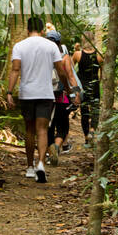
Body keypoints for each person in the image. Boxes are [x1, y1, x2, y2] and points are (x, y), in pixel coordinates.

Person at [6, 16, 69, 183]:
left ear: (27, 29)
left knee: (29, 131)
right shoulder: (51, 46)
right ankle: (41, 163)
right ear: (42, 31)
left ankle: (29, 167)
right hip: (45, 94)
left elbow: (15, 70)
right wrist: (68, 89)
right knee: (42, 130)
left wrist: (9, 92)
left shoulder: (19, 46)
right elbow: (61, 71)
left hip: (27, 93)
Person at [44, 28, 80, 165]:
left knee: (48, 126)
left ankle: (49, 152)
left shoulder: (42, 57)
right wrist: (75, 93)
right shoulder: (64, 58)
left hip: (46, 95)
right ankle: (57, 147)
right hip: (62, 96)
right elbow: (70, 76)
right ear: (59, 43)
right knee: (62, 126)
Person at [73, 35, 103, 142]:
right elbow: (103, 73)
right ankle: (92, 129)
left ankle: (86, 136)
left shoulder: (77, 54)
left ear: (82, 41)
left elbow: (71, 70)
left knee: (84, 110)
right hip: (95, 85)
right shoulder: (99, 56)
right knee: (95, 109)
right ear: (93, 40)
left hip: (82, 86)